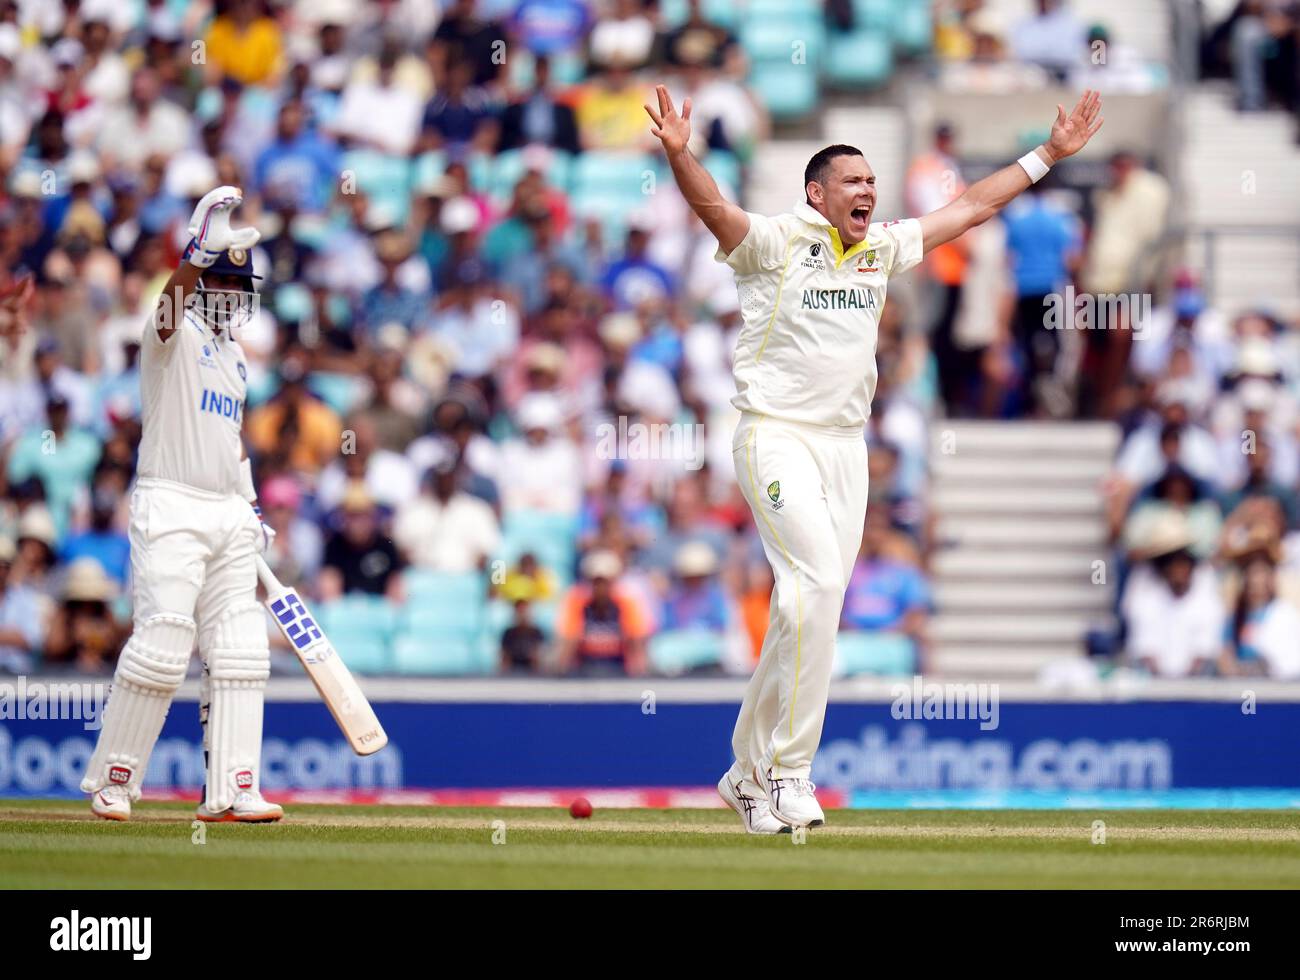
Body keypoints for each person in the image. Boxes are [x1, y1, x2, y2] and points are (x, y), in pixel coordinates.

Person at [646, 83, 1103, 831]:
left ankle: (743, 772)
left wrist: (1047, 154)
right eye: (852, 182)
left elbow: (970, 208)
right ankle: (791, 773)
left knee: (804, 607)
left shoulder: (880, 249)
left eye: (871, 182)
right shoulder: (774, 243)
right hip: (775, 434)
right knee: (818, 587)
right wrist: (679, 154)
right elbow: (714, 211)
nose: (868, 191)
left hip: (844, 448)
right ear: (815, 192)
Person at [80, 186, 284, 824]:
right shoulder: (171, 332)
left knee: (242, 648)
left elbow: (230, 439)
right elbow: (169, 306)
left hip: (226, 510)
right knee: (165, 641)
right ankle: (116, 782)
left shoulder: (238, 360)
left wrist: (249, 507)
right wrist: (194, 256)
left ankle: (233, 788)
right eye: (221, 282)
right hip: (170, 502)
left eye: (239, 286)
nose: (233, 296)